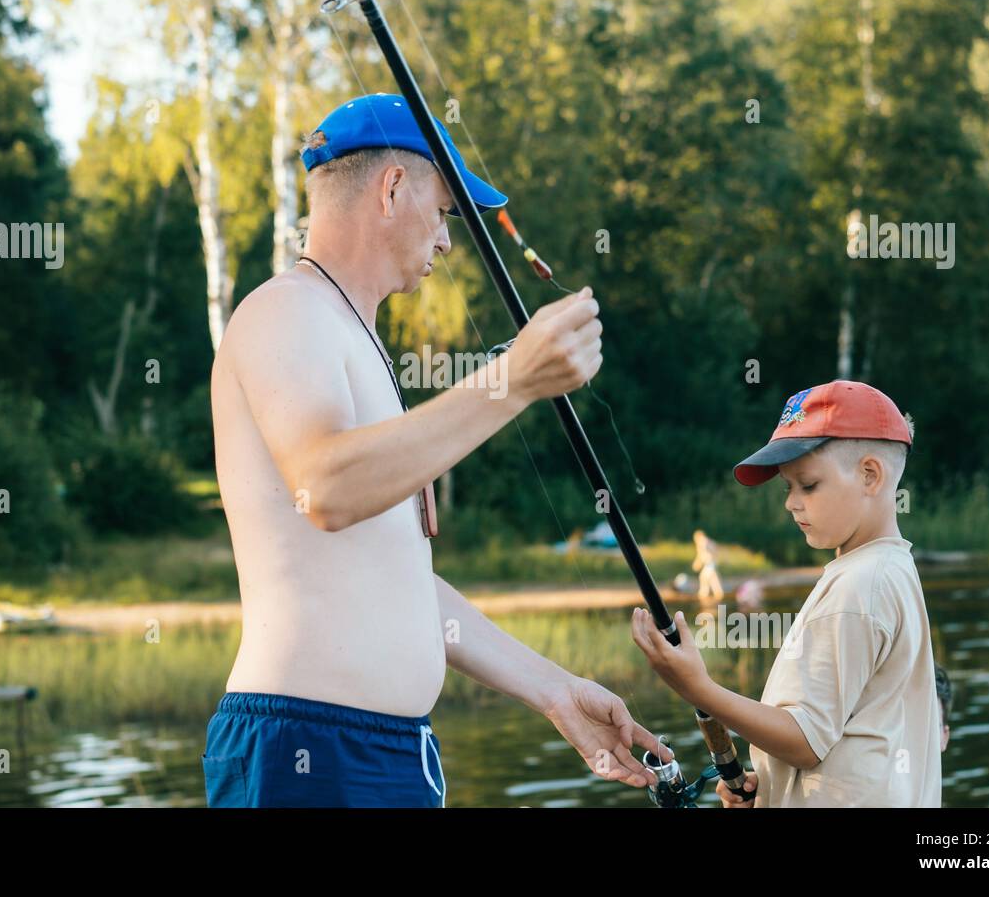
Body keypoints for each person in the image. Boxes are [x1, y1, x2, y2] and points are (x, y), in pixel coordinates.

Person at [204, 93, 666, 807]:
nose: (449, 241)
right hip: (306, 749)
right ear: (392, 188)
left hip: (393, 752)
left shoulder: (353, 341)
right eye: (446, 211)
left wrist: (554, 692)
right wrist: (511, 383)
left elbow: (398, 583)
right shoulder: (284, 310)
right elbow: (324, 487)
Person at [631, 381, 942, 807]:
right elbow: (842, 736)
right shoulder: (889, 570)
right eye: (787, 488)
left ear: (871, 475)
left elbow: (806, 740)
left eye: (808, 485)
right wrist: (774, 787)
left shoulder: (859, 585)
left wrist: (699, 689)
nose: (791, 504)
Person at [692, 528, 724, 601]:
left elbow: (701, 554)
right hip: (711, 563)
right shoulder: (707, 541)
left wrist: (697, 563)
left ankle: (703, 594)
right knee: (713, 579)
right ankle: (718, 593)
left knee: (703, 577)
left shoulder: (702, 541)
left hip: (710, 563)